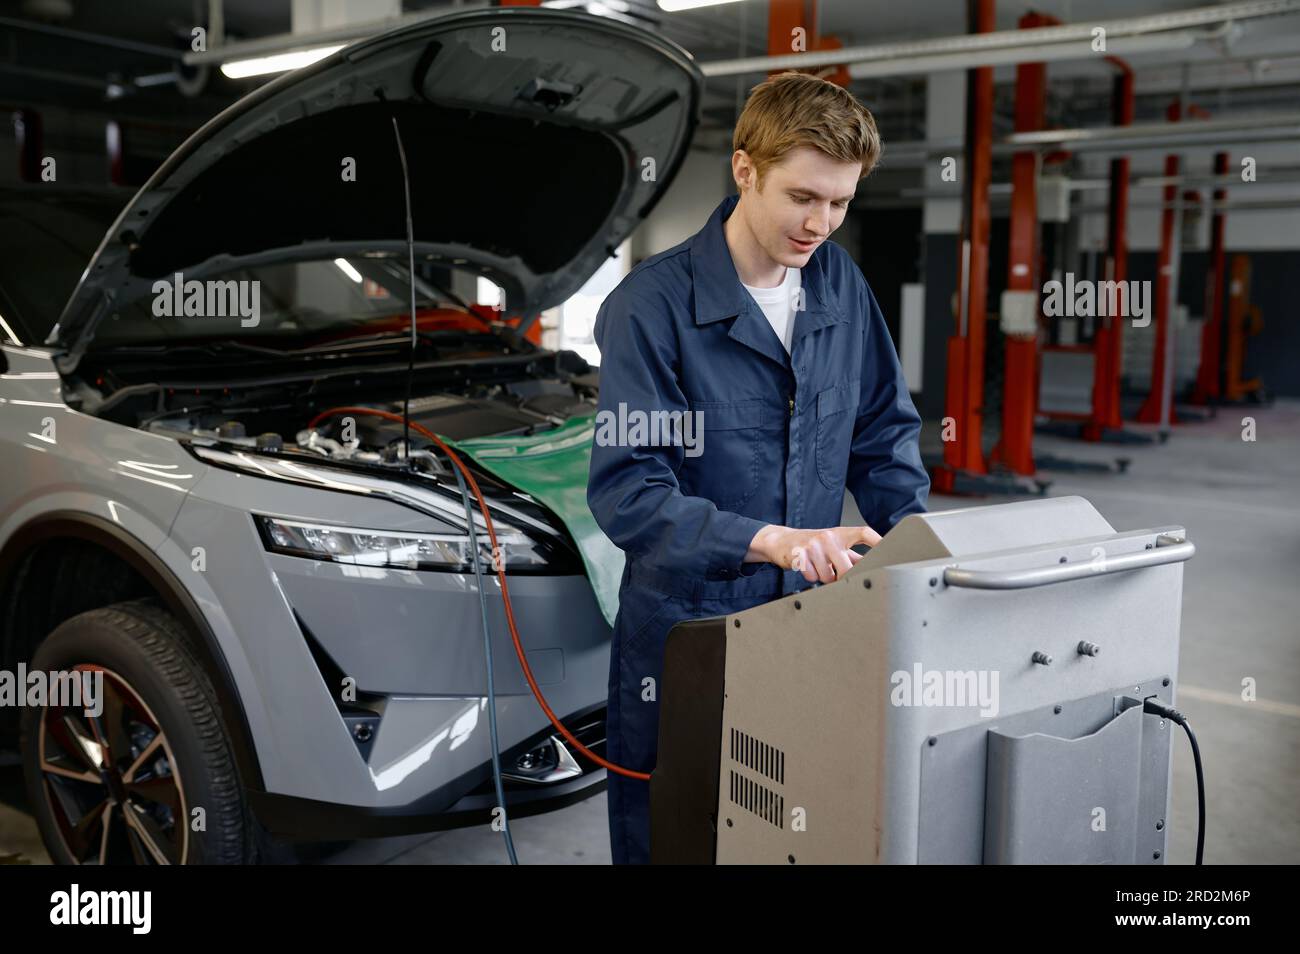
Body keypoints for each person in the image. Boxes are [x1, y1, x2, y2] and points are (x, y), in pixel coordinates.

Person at [586, 70, 930, 865]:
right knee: (676, 830)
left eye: (840, 203)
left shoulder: (839, 283)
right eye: (803, 197)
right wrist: (771, 540)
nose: (821, 223)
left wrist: (914, 551)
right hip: (689, 631)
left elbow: (884, 432)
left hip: (812, 620)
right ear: (745, 170)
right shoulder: (653, 308)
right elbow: (631, 492)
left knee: (790, 828)